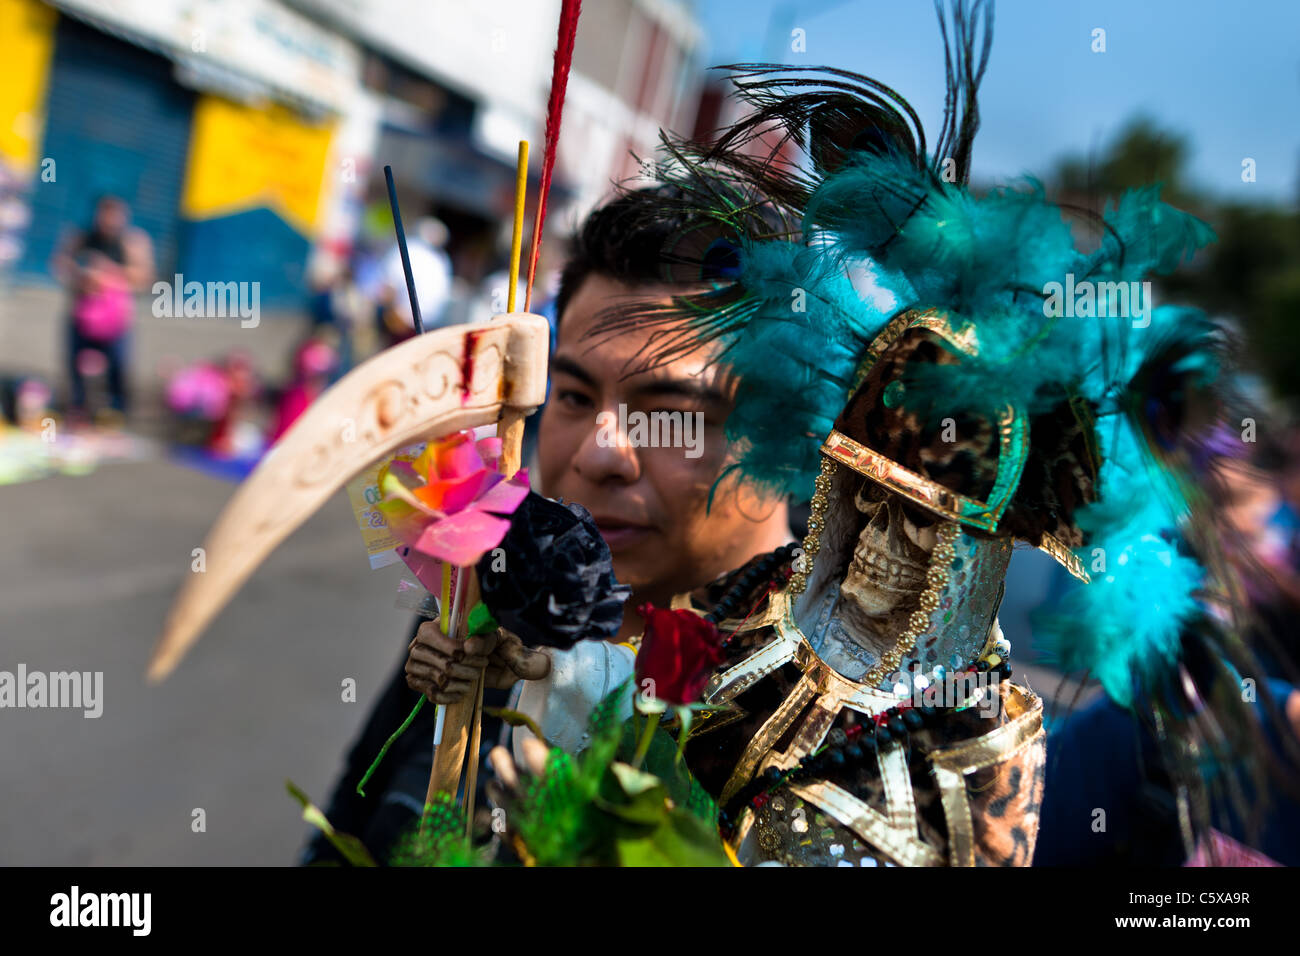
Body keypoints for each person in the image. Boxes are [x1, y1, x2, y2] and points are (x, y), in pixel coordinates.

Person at [300, 187, 793, 864]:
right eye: (573, 396)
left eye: (668, 413)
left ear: (794, 438)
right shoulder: (493, 589)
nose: (597, 453)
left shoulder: (836, 733)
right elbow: (350, 816)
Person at [51, 195, 154, 422]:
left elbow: (144, 278)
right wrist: (81, 275)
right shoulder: (81, 237)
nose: (109, 220)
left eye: (115, 214)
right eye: (105, 214)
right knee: (75, 364)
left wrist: (108, 273)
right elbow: (59, 265)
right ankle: (78, 410)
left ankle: (115, 413)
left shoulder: (132, 242)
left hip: (114, 320)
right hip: (83, 316)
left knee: (118, 367)